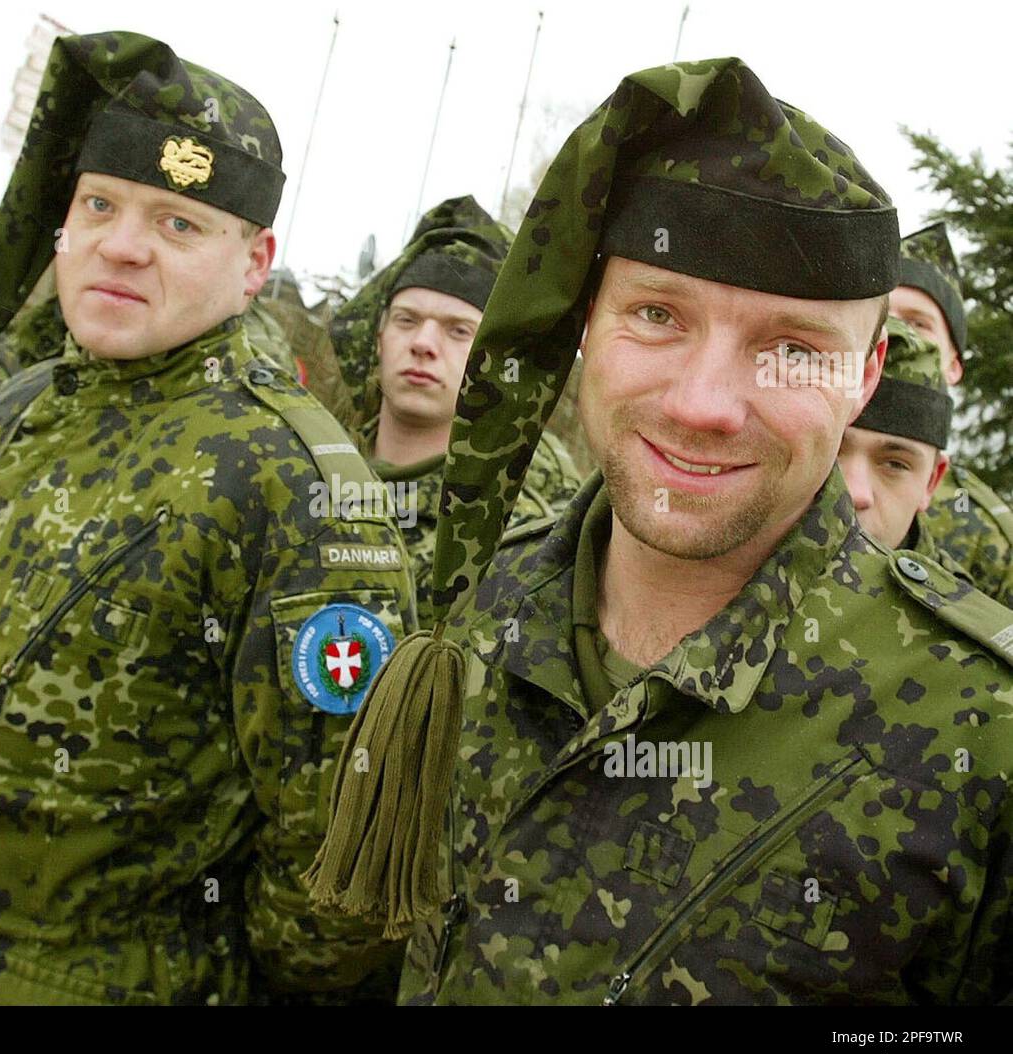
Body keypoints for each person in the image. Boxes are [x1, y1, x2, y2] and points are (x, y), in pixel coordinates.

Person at [308, 57, 1013, 1006]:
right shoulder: (470, 611)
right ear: (587, 318)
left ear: (867, 371)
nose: (704, 403)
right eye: (656, 314)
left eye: (793, 349)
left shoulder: (982, 729)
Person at [0, 30, 415, 1006]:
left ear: (255, 263)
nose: (120, 243)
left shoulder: (295, 483)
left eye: (178, 224)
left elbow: (335, 866)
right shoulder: (17, 408)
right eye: (100, 205)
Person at [329, 195, 580, 627]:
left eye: (458, 330)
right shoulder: (314, 468)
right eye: (407, 320)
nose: (423, 343)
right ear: (378, 336)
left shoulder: (531, 522)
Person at [898, 223, 1013, 607]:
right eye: (882, 314)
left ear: (954, 365)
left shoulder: (984, 532)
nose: (895, 331)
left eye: (918, 322)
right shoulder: (790, 465)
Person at [838, 318, 961, 570]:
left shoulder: (956, 608)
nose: (853, 491)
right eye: (832, 452)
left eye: (895, 464)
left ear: (931, 482)